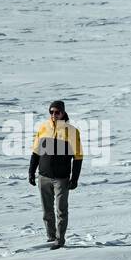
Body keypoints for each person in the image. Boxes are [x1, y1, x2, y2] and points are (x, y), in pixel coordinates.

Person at [29, 99, 84, 249]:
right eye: (51, 112)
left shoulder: (72, 131)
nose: (54, 114)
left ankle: (60, 239)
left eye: (57, 112)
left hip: (61, 178)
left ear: (63, 112)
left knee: (61, 210)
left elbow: (78, 157)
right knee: (47, 210)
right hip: (44, 176)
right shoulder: (43, 128)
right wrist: (31, 172)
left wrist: (75, 178)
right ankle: (51, 236)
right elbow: (35, 152)